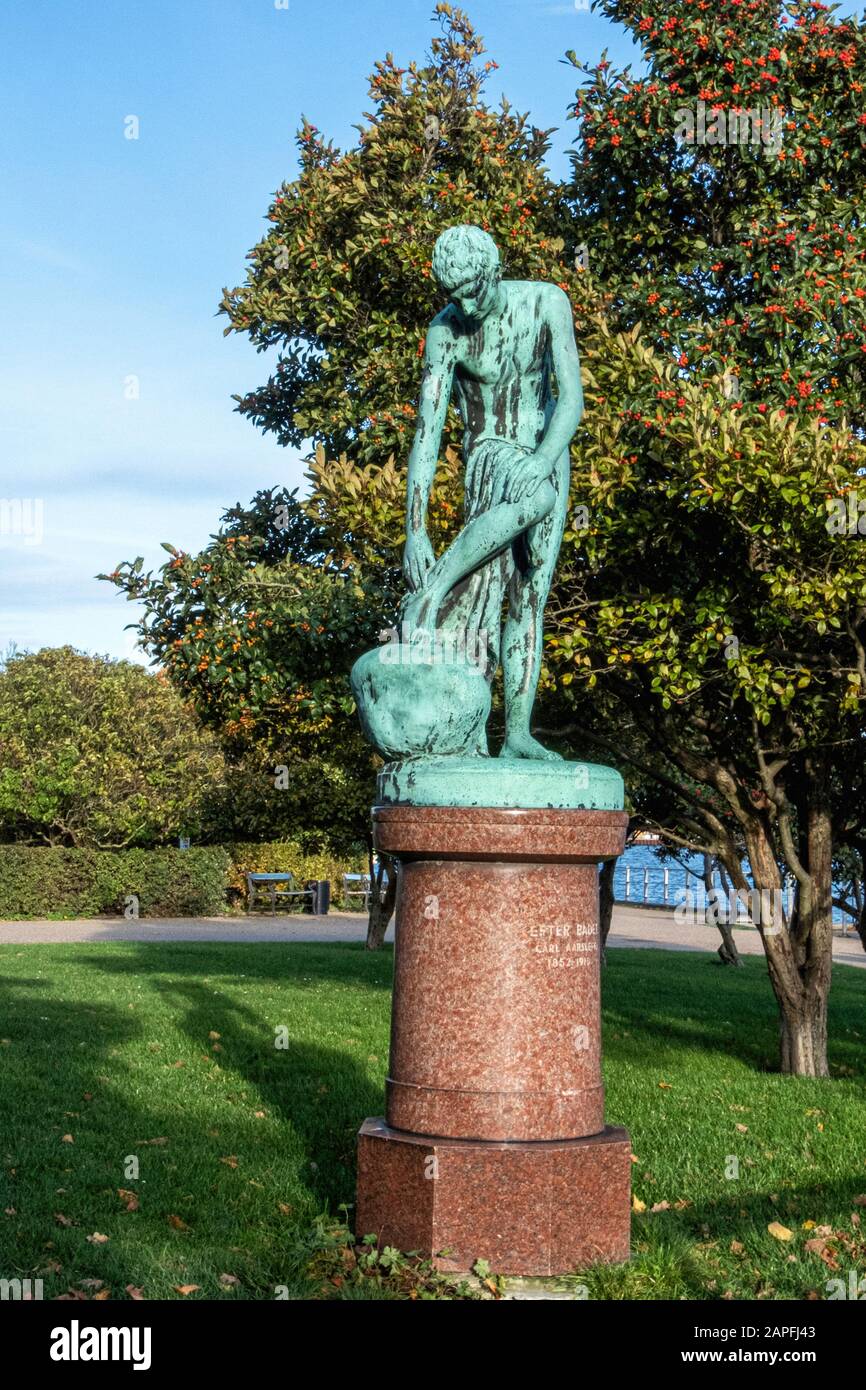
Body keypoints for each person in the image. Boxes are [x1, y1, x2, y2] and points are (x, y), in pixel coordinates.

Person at [401, 224, 584, 760]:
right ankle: (435, 588)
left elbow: (570, 402)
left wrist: (543, 460)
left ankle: (519, 734)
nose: (460, 304)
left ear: (493, 272)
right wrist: (415, 531)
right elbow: (426, 437)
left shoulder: (547, 302)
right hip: (488, 455)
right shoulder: (445, 333)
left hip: (547, 452)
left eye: (468, 291)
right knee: (533, 507)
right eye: (450, 294)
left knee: (529, 599)